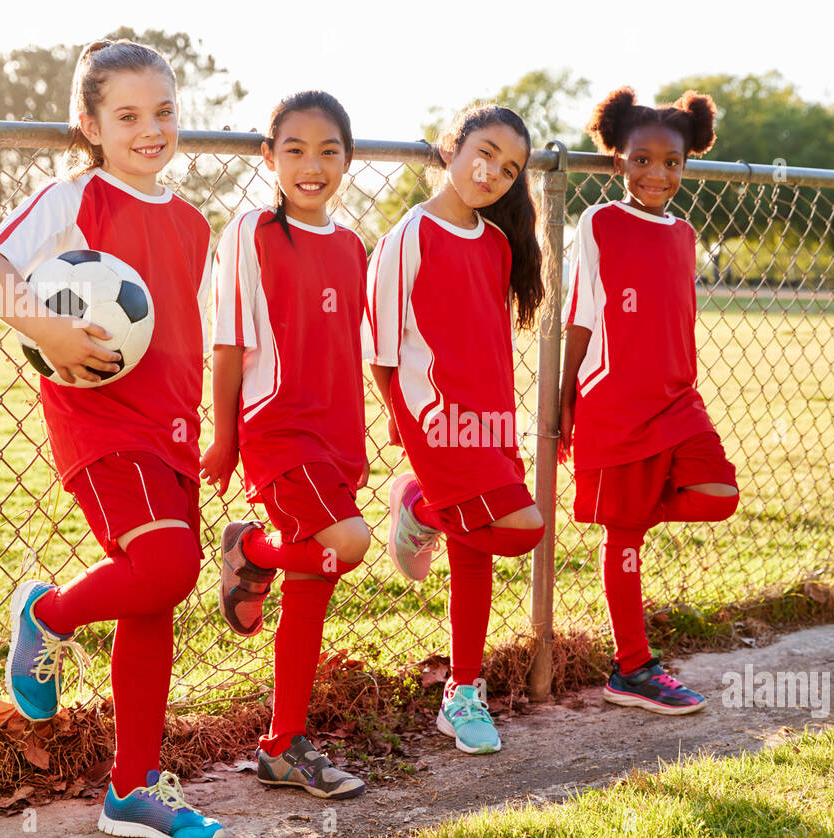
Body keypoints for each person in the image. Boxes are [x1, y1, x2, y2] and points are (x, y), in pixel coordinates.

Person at [0, 38, 223, 838]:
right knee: (169, 566)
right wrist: (49, 332)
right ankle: (48, 613)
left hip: (173, 426)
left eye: (164, 112)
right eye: (129, 115)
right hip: (102, 422)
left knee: (156, 593)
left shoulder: (190, 221)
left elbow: (179, 331)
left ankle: (134, 789)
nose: (151, 129)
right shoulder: (75, 198)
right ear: (91, 124)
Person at [201, 91, 369, 799]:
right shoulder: (251, 231)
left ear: (347, 162)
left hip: (335, 437)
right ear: (269, 159)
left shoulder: (353, 244)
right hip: (279, 430)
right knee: (349, 541)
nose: (312, 164)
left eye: (328, 150)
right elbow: (231, 340)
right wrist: (224, 436)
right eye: (294, 150)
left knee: (318, 578)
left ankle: (282, 746)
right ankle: (251, 549)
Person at [364, 105, 546, 755]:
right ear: (451, 146)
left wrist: (501, 419)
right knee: (522, 529)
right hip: (435, 420)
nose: (493, 172)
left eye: (511, 168)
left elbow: (490, 345)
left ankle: (462, 694)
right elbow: (382, 349)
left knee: (476, 556)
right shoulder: (405, 237)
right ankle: (419, 501)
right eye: (485, 152)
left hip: (491, 421)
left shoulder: (497, 246)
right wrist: (404, 421)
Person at [559, 87, 739, 715]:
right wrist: (563, 399)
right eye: (642, 160)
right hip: (614, 401)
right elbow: (581, 316)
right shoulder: (600, 222)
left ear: (686, 166)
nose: (656, 173)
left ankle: (627, 512)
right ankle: (631, 667)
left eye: (671, 163)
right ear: (618, 162)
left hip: (677, 401)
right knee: (625, 537)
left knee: (720, 495)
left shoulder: (686, 233)